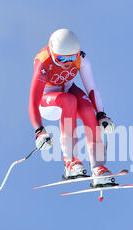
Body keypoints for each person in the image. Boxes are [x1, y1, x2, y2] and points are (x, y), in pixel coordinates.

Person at [28, 29, 115, 187]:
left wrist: (101, 114)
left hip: (69, 91)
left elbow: (91, 88)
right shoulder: (43, 61)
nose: (67, 63)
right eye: (61, 58)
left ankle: (98, 168)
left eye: (71, 58)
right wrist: (39, 130)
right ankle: (70, 161)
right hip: (48, 102)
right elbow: (33, 100)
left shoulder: (81, 59)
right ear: (53, 54)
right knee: (68, 101)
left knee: (88, 109)